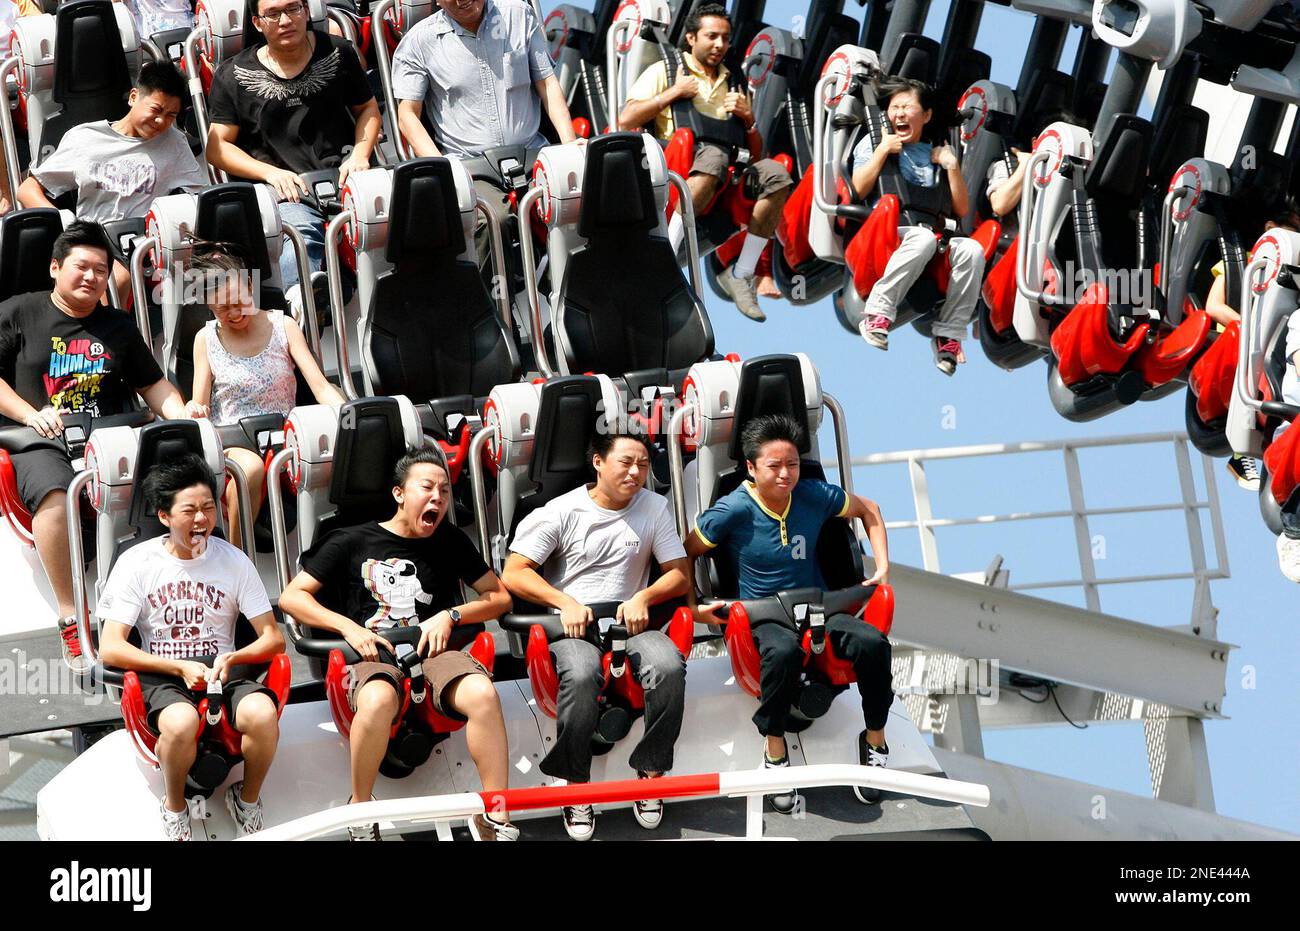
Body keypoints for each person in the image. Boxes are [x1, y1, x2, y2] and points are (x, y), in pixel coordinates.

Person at [278, 448, 519, 841]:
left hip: (435, 652)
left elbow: (499, 597)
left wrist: (451, 615)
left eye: (444, 490)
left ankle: (494, 812)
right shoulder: (351, 540)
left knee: (482, 693)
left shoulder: (450, 540)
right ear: (399, 494)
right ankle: (359, 808)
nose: (437, 498)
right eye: (427, 488)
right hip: (373, 654)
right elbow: (293, 597)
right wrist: (348, 629)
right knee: (376, 700)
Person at [0, 220, 193, 674]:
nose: (91, 277)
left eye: (101, 270)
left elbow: (154, 385)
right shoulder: (17, 313)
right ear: (54, 268)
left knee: (179, 483)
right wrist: (29, 412)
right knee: (53, 496)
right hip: (39, 439)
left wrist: (185, 414)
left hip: (110, 438)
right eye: (81, 267)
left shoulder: (117, 326)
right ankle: (72, 614)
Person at [684, 414, 892, 813]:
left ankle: (876, 740)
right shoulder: (733, 508)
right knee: (781, 654)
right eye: (774, 466)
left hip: (818, 606)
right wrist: (694, 607)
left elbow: (871, 510)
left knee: (872, 642)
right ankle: (775, 749)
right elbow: (686, 551)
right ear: (751, 467)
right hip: (763, 617)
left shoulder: (813, 494)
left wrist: (881, 566)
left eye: (792, 465)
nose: (785, 474)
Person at [500, 432, 691, 840]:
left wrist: (645, 595)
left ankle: (651, 773)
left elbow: (679, 574)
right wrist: (563, 601)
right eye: (625, 462)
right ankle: (575, 786)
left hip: (630, 623)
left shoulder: (655, 507)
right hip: (572, 626)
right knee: (583, 673)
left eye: (642, 464)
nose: (636, 472)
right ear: (599, 463)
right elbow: (514, 573)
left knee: (668, 664)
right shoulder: (561, 511)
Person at [97, 455, 285, 840]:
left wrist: (235, 657)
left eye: (208, 509)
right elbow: (111, 648)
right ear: (164, 516)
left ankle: (247, 799)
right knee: (181, 723)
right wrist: (176, 667)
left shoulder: (234, 562)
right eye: (189, 511)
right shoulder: (137, 563)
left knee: (262, 714)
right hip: (163, 674)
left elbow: (273, 638)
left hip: (225, 671)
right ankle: (175, 805)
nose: (201, 520)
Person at [205, 0, 381, 319]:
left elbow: (367, 109)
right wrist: (269, 173)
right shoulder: (232, 74)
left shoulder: (338, 52)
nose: (286, 20)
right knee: (296, 231)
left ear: (306, 11)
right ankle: (303, 299)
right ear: (258, 23)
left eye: (293, 9)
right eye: (273, 14)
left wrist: (360, 153)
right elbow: (218, 149)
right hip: (286, 191)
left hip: (346, 177)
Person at [618, 3, 792, 322]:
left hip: (722, 175)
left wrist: (749, 118)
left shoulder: (734, 81)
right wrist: (673, 93)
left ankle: (742, 272)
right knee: (714, 155)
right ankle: (663, 261)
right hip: (674, 168)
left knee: (776, 175)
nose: (719, 45)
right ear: (691, 38)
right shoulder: (667, 70)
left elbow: (756, 155)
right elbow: (626, 118)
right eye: (711, 37)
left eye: (725, 39)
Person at [390, 0, 576, 259]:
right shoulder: (419, 42)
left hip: (533, 155)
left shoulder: (519, 15)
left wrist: (569, 146)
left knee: (575, 201)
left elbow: (548, 85)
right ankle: (493, 298)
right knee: (492, 221)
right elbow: (407, 116)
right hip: (470, 169)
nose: (461, 0)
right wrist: (444, 169)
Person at [184, 249, 344, 549]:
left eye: (238, 303)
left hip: (287, 436)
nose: (233, 313)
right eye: (222, 309)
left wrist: (345, 416)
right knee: (251, 469)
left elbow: (320, 386)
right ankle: (236, 557)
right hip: (233, 442)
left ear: (249, 285)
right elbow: (199, 403)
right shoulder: (205, 339)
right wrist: (194, 407)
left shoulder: (283, 326)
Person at [19, 61, 208, 304]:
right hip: (92, 238)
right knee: (108, 278)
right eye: (156, 110)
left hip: (144, 243)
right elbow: (27, 190)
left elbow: (199, 197)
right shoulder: (86, 138)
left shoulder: (174, 143)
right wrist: (67, 224)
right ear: (133, 97)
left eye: (170, 115)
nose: (161, 121)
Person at [851, 77, 985, 375]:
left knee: (971, 250)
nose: (898, 114)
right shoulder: (874, 143)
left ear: (925, 116)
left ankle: (948, 335)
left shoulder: (935, 154)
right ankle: (877, 314)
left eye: (907, 107)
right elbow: (857, 189)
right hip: (884, 234)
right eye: (894, 107)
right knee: (922, 239)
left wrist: (951, 167)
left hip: (928, 235)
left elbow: (961, 209)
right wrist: (882, 151)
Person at [1204, 200, 1300, 491]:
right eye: (1293, 229)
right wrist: (1248, 326)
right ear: (1271, 228)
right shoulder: (1248, 262)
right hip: (1235, 342)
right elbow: (1213, 306)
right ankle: (1239, 454)